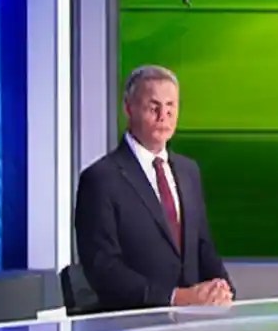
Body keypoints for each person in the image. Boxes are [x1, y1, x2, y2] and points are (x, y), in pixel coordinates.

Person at [74, 65, 234, 311]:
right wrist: (174, 297)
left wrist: (222, 288)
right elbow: (103, 267)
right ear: (129, 108)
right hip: (132, 322)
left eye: (170, 107)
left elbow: (202, 244)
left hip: (193, 321)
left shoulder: (188, 171)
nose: (163, 116)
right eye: (153, 107)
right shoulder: (101, 179)